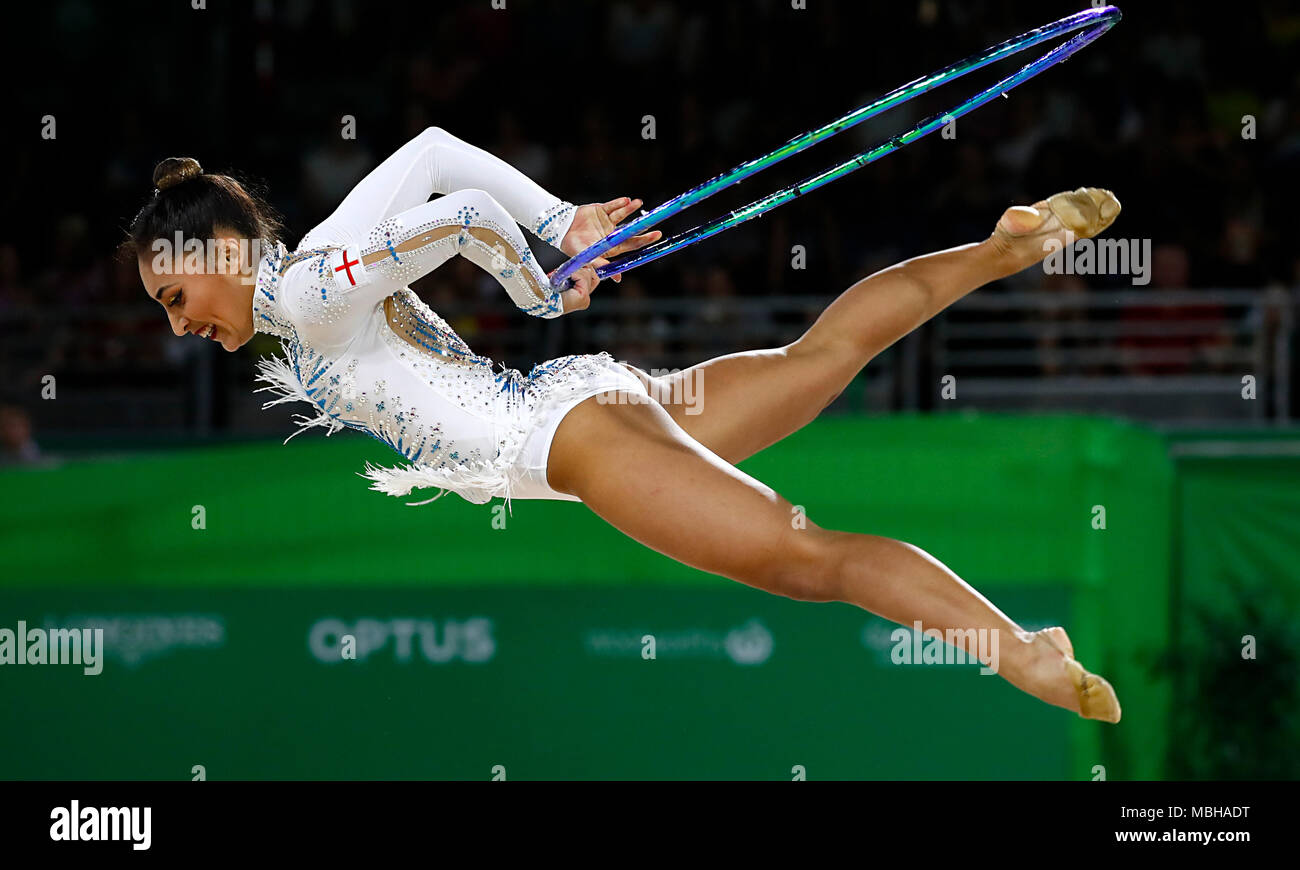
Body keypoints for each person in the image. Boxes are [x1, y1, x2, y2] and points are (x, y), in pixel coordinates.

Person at [125, 125, 1123, 722]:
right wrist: (559, 222)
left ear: (220, 246)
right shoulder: (323, 259)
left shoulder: (305, 298)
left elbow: (465, 213)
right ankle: (1001, 250)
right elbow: (431, 156)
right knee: (814, 362)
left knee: (811, 559)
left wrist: (537, 286)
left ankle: (1022, 650)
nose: (183, 329)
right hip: (581, 407)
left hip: (571, 439)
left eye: (176, 298)